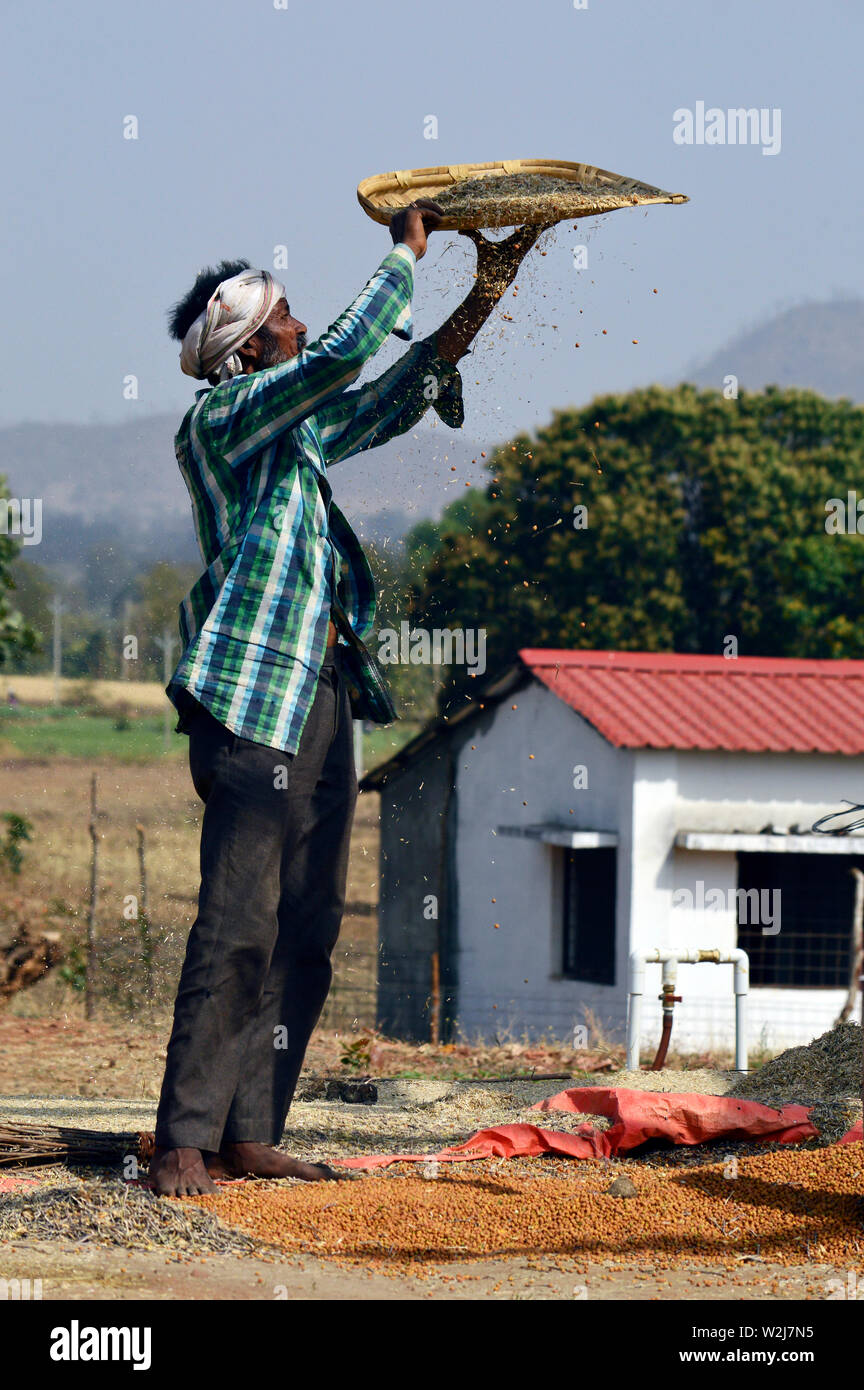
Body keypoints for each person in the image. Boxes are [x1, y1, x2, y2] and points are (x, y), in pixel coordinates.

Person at [150, 200, 548, 1196]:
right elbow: (339, 360)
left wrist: (483, 293)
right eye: (286, 315)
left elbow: (396, 387)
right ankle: (183, 1140)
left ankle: (250, 1129)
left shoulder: (301, 435)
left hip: (321, 689)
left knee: (309, 923)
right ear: (247, 347)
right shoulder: (223, 421)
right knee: (237, 919)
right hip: (252, 700)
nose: (302, 322)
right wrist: (403, 256)